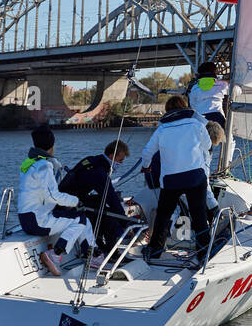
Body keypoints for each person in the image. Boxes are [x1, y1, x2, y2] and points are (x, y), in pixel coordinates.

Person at [17, 126, 98, 275]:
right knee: (80, 219)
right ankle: (55, 254)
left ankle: (92, 255)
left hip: (27, 218)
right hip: (38, 221)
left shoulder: (29, 163)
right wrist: (76, 201)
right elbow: (52, 196)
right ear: (52, 146)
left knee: (82, 219)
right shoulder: (43, 166)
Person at [141, 96, 211, 261]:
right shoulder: (197, 125)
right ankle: (204, 252)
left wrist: (146, 166)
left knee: (164, 215)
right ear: (184, 107)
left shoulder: (162, 129)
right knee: (199, 214)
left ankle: (156, 250)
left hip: (171, 181)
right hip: (195, 177)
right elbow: (207, 146)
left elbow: (147, 152)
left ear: (167, 111)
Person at [58, 139, 130, 254]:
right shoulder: (99, 172)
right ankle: (110, 252)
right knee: (110, 218)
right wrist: (125, 221)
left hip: (66, 199)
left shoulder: (92, 160)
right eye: (120, 160)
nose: (120, 164)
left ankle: (100, 244)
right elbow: (111, 197)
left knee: (101, 203)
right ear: (111, 156)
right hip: (68, 205)